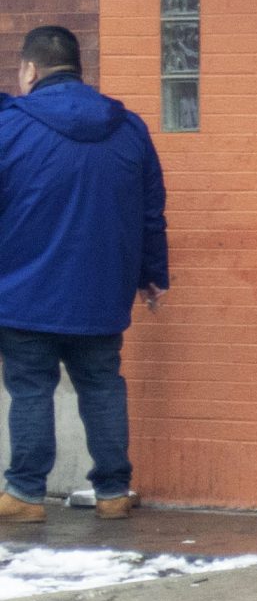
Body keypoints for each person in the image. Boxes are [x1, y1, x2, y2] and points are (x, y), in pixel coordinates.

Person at [0, 26, 168, 523]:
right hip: (101, 293)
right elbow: (150, 212)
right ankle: (113, 492)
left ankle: (26, 496)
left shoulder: (10, 127)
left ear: (30, 70)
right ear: (79, 69)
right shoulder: (129, 127)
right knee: (102, 386)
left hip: (22, 292)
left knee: (30, 389)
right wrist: (151, 275)